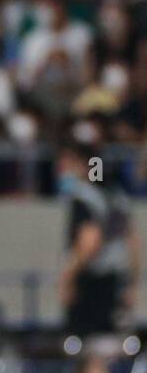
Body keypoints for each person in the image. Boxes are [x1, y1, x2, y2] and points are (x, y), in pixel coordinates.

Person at [57, 144, 140, 336]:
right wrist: (132, 284)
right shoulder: (118, 198)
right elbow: (133, 243)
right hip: (116, 279)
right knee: (111, 342)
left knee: (84, 346)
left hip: (91, 280)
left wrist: (69, 278)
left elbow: (90, 241)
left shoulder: (84, 199)